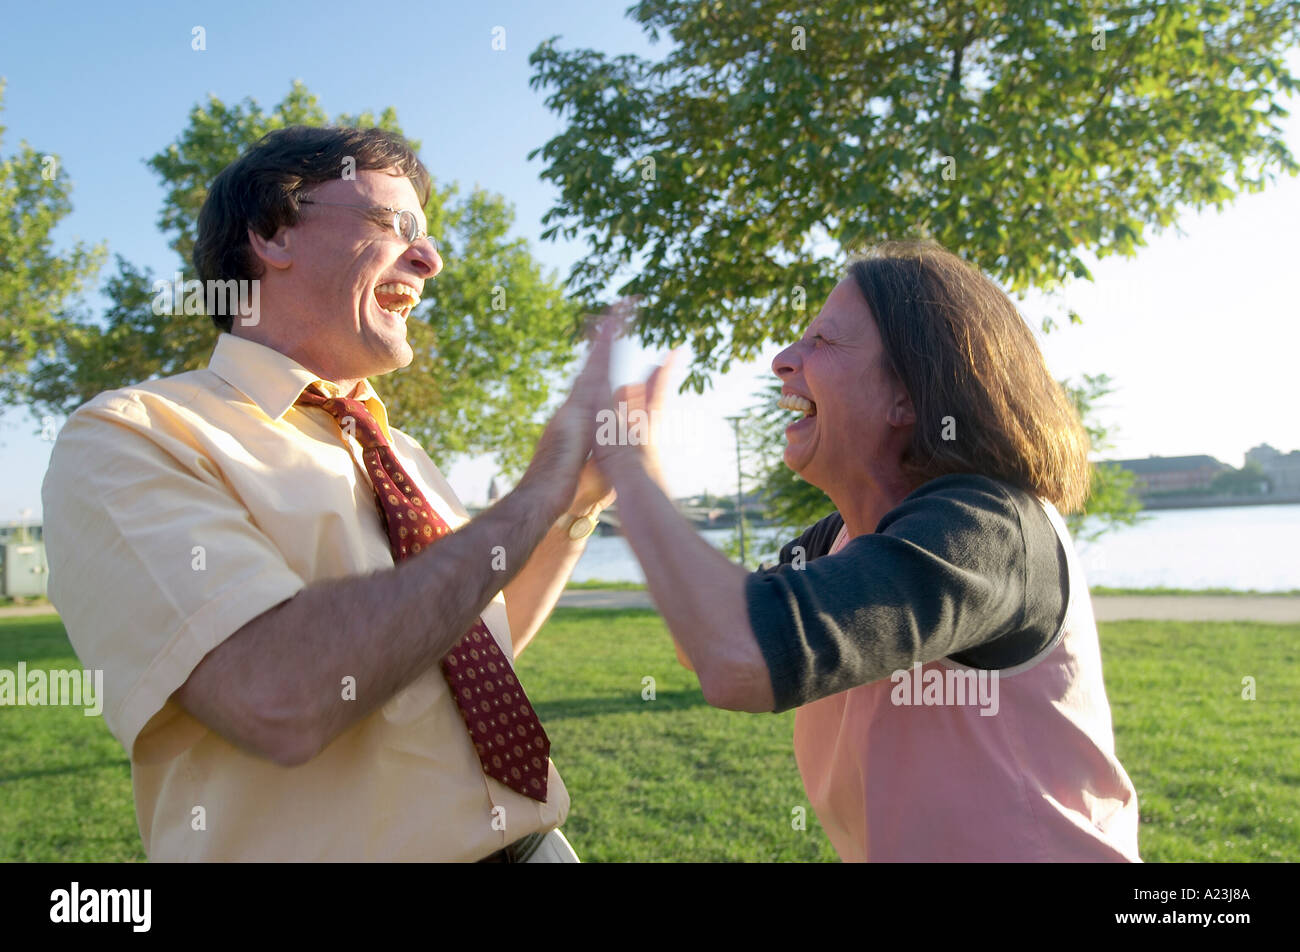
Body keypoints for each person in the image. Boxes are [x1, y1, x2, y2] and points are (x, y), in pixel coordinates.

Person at [41, 125, 615, 862]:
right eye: (393, 224)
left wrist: (574, 504)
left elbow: (465, 646)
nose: (430, 259)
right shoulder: (133, 435)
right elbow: (274, 695)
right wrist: (533, 497)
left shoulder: (400, 449)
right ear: (274, 233)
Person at [592, 241, 1141, 862]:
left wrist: (632, 469)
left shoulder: (989, 529)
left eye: (823, 342)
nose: (782, 359)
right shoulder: (840, 539)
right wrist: (612, 486)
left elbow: (735, 658)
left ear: (908, 393)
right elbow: (707, 640)